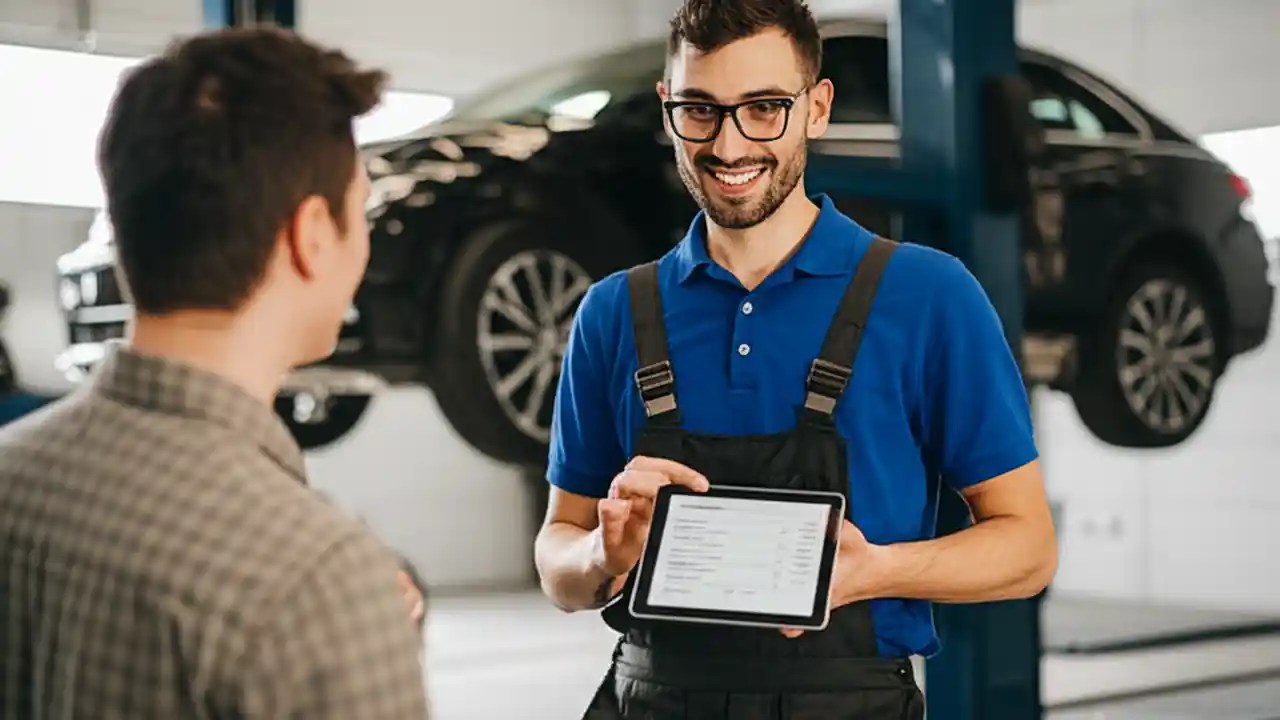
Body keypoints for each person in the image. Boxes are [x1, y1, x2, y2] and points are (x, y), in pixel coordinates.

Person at [533, 1, 1059, 717]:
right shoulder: (613, 313)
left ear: (817, 107)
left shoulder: (929, 295)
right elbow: (558, 556)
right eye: (700, 110)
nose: (728, 145)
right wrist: (603, 555)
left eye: (763, 109)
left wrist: (875, 571)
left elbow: (1027, 549)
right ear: (667, 110)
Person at [0, 27, 429, 719]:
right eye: (362, 209)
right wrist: (355, 626)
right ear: (311, 235)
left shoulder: (10, 475)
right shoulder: (316, 578)